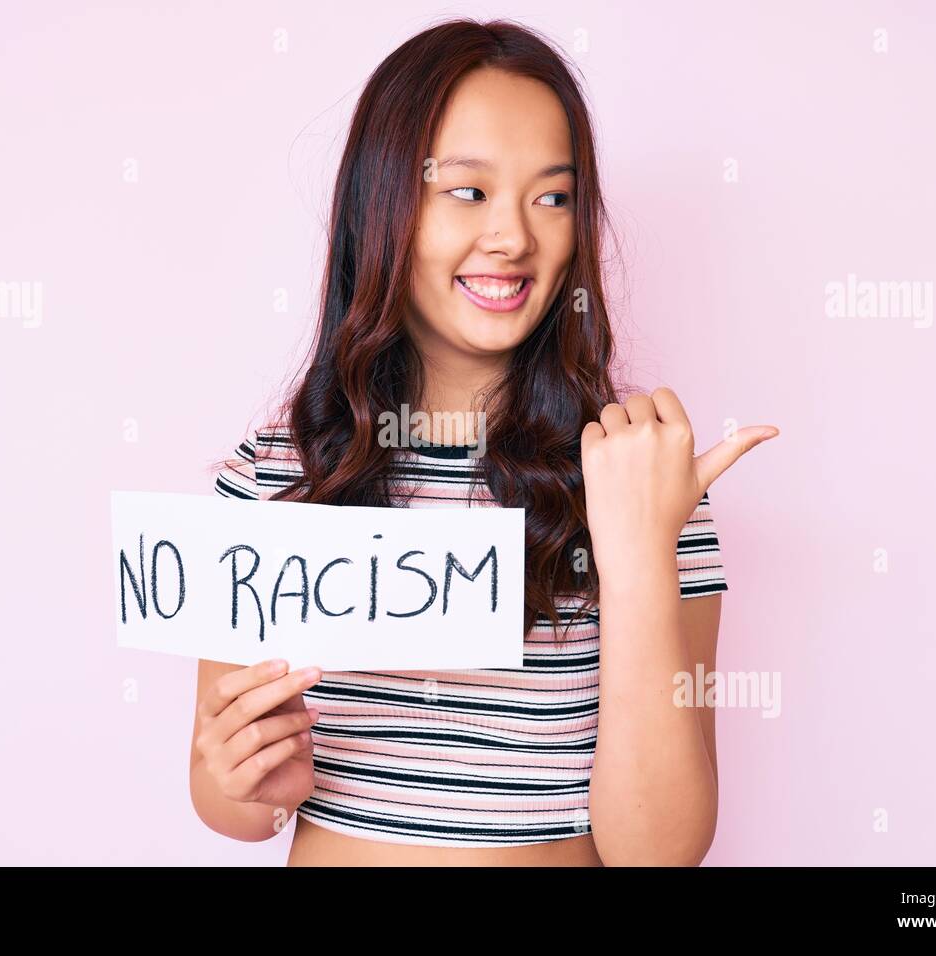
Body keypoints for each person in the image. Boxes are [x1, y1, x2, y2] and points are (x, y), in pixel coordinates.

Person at [190, 17, 778, 866]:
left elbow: (660, 852)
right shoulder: (273, 480)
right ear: (383, 204)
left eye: (554, 196)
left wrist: (639, 552)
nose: (513, 237)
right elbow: (226, 804)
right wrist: (244, 780)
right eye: (468, 192)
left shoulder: (638, 479)